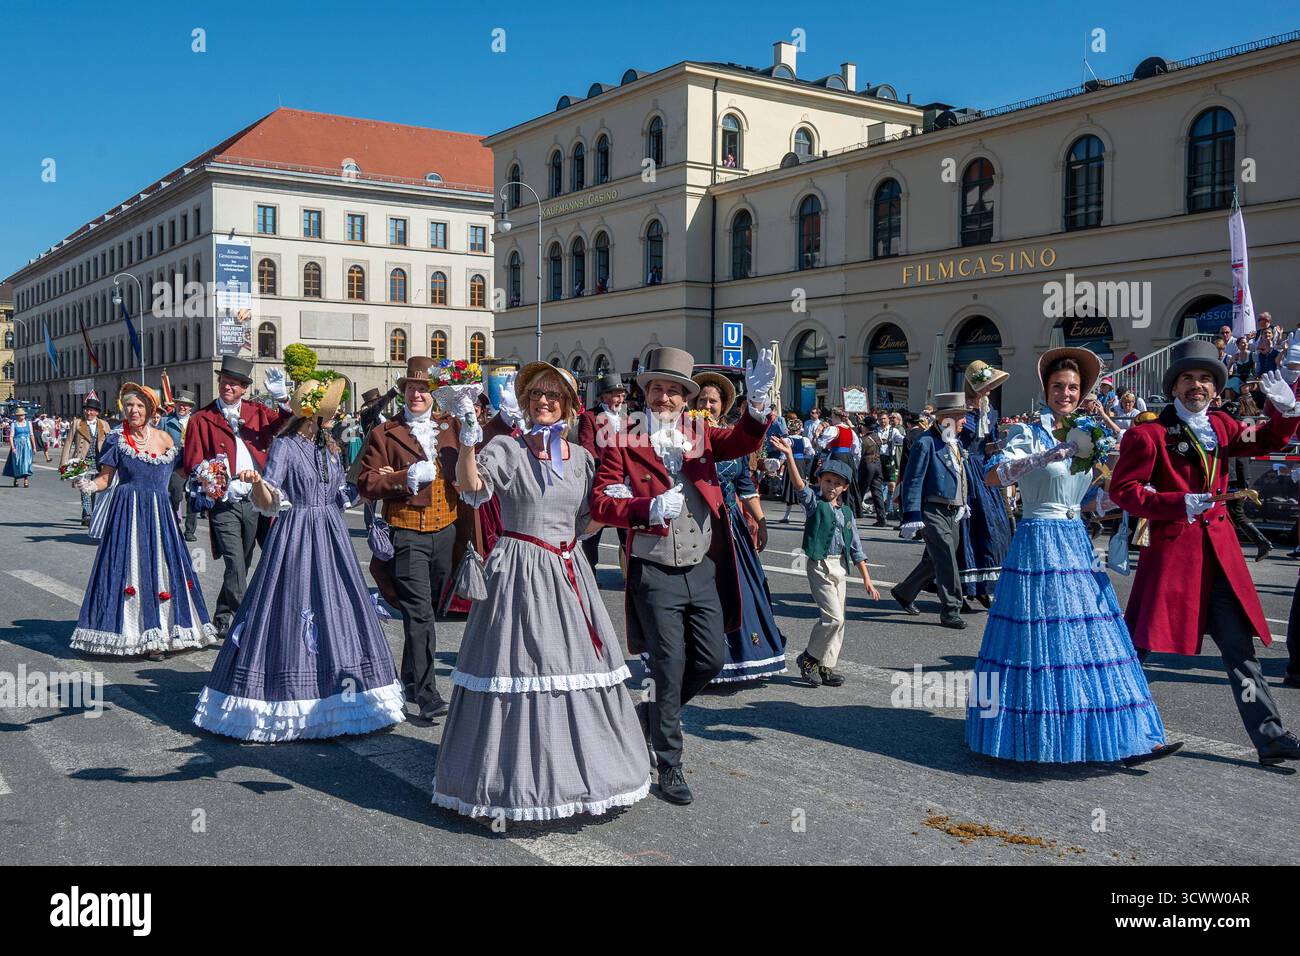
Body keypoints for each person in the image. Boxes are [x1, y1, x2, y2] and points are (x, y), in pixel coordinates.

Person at [432, 363, 650, 821]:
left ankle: (578, 774)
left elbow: (591, 517)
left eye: (554, 396)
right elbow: (471, 487)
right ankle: (514, 781)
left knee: (573, 669)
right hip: (519, 570)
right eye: (536, 396)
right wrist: (469, 436)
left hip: (569, 570)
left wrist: (620, 504)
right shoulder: (508, 448)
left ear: (569, 407)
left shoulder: (582, 458)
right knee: (522, 667)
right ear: (526, 403)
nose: (544, 402)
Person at [966, 347, 1179, 766]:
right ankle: (1030, 734)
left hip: (1075, 543)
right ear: (1045, 390)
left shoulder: (1089, 436)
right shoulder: (1028, 432)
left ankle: (1131, 737)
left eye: (1074, 388)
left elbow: (1082, 500)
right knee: (1037, 642)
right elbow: (993, 476)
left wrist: (1111, 505)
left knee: (1097, 640)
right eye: (1059, 386)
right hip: (1037, 542)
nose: (1066, 393)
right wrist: (1045, 455)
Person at [591, 345, 775, 805]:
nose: (664, 398)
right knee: (669, 667)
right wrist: (644, 507)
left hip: (704, 566)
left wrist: (757, 408)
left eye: (674, 391)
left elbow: (743, 443)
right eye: (657, 388)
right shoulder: (624, 437)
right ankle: (669, 763)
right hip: (655, 568)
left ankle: (653, 715)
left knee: (710, 660)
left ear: (685, 397)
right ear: (644, 391)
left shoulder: (700, 431)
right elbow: (601, 502)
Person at [1110, 339, 1300, 766]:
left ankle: (1270, 738)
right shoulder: (1148, 434)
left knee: (1241, 654)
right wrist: (1176, 503)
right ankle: (1121, 732)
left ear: (1216, 388)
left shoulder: (1223, 426)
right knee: (1139, 648)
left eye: (1206, 379)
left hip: (1219, 559)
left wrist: (1286, 410)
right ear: (1175, 386)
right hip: (1173, 556)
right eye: (1189, 378)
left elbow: (1265, 437)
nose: (1198, 385)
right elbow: (1123, 491)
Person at [193, 379, 405, 741]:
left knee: (337, 606)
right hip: (296, 533)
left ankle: (340, 694)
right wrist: (257, 481)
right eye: (333, 406)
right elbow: (271, 498)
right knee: (290, 604)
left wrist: (376, 482)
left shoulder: (330, 448)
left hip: (332, 534)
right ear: (316, 411)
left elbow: (340, 495)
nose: (338, 411)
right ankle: (287, 695)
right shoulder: (286, 446)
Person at [70, 384, 215, 660]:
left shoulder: (166, 440)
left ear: (150, 410)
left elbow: (186, 470)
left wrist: (208, 476)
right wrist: (87, 485)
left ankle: (164, 631)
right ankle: (135, 633)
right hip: (128, 512)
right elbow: (105, 479)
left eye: (139, 406)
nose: (133, 410)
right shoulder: (116, 440)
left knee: (162, 570)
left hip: (161, 514)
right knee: (133, 569)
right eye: (129, 406)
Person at [356, 356, 463, 723]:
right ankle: (428, 694)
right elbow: (366, 482)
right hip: (406, 533)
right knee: (418, 613)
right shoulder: (385, 433)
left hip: (446, 531)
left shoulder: (450, 427)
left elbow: (471, 460)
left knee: (428, 612)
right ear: (403, 391)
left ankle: (409, 682)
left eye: (425, 388)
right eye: (412, 387)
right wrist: (402, 477)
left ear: (434, 394)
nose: (418, 394)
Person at [183, 357, 291, 639]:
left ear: (244, 388)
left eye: (234, 383)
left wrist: (282, 399)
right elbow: (192, 462)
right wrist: (211, 478)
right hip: (224, 502)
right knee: (234, 561)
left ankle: (222, 613)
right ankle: (247, 623)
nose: (227, 386)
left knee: (243, 562)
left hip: (255, 500)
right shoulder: (201, 418)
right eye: (224, 381)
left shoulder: (257, 412)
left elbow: (285, 427)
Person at [692, 371, 786, 685]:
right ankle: (700, 661)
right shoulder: (684, 435)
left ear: (723, 405)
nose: (707, 404)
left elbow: (746, 487)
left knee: (742, 587)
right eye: (702, 399)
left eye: (713, 400)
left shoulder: (733, 438)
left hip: (730, 525)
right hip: (696, 525)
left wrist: (761, 520)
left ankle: (741, 658)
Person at [774, 444, 880, 686]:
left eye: (836, 483)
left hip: (840, 567)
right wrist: (790, 456)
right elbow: (800, 486)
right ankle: (809, 658)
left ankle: (826, 666)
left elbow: (856, 549)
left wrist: (867, 579)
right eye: (827, 481)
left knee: (840, 621)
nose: (831, 487)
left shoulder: (847, 514)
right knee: (832, 618)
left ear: (844, 488)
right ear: (820, 481)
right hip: (819, 565)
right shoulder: (814, 505)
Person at [892, 393, 971, 629]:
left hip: (952, 511)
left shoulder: (954, 442)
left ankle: (905, 592)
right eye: (960, 417)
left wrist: (964, 502)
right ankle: (951, 609)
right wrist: (911, 515)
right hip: (931, 509)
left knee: (935, 559)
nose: (964, 422)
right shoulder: (925, 442)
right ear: (946, 418)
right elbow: (913, 480)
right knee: (946, 556)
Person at [958, 361, 1012, 610]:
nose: (989, 390)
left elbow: (987, 445)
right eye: (986, 385)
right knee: (969, 530)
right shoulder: (959, 410)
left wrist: (1002, 444)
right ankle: (963, 588)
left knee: (994, 528)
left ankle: (984, 586)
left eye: (991, 386)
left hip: (984, 470)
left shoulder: (990, 411)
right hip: (964, 470)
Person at [576, 371, 629, 571]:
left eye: (622, 394)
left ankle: (630, 574)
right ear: (604, 396)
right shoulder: (590, 416)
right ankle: (589, 572)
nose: (620, 398)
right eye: (616, 394)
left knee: (627, 529)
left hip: (625, 481)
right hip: (601, 479)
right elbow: (587, 446)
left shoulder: (628, 417)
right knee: (593, 531)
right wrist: (607, 468)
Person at [62, 397, 113, 526]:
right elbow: (68, 443)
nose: (88, 413)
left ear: (97, 412)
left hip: (98, 460)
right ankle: (87, 514)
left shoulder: (104, 424)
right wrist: (63, 464)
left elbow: (111, 442)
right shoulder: (77, 423)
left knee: (95, 487)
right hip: (82, 460)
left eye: (91, 410)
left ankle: (91, 513)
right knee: (84, 487)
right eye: (87, 410)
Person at [160, 391, 198, 541]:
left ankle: (189, 531)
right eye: (180, 404)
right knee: (175, 495)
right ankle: (173, 525)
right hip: (175, 465)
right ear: (175, 404)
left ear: (190, 408)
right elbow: (159, 441)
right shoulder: (165, 421)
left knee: (193, 497)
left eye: (186, 405)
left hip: (194, 464)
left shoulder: (196, 421)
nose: (183, 407)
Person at [779, 412, 811, 522]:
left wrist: (780, 464)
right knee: (800, 486)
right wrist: (803, 456)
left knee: (791, 486)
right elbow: (811, 452)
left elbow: (783, 454)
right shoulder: (804, 440)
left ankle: (804, 516)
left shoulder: (788, 440)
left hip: (791, 462)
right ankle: (788, 516)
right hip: (801, 463)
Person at [4, 406, 35, 488]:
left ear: (24, 416)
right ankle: (16, 478)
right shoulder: (14, 424)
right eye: (18, 415)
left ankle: (26, 479)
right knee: (17, 462)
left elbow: (31, 435)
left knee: (26, 462)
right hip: (17, 444)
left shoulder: (29, 423)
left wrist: (34, 447)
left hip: (27, 444)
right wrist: (13, 447)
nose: (20, 417)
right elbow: (11, 436)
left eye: (22, 415)